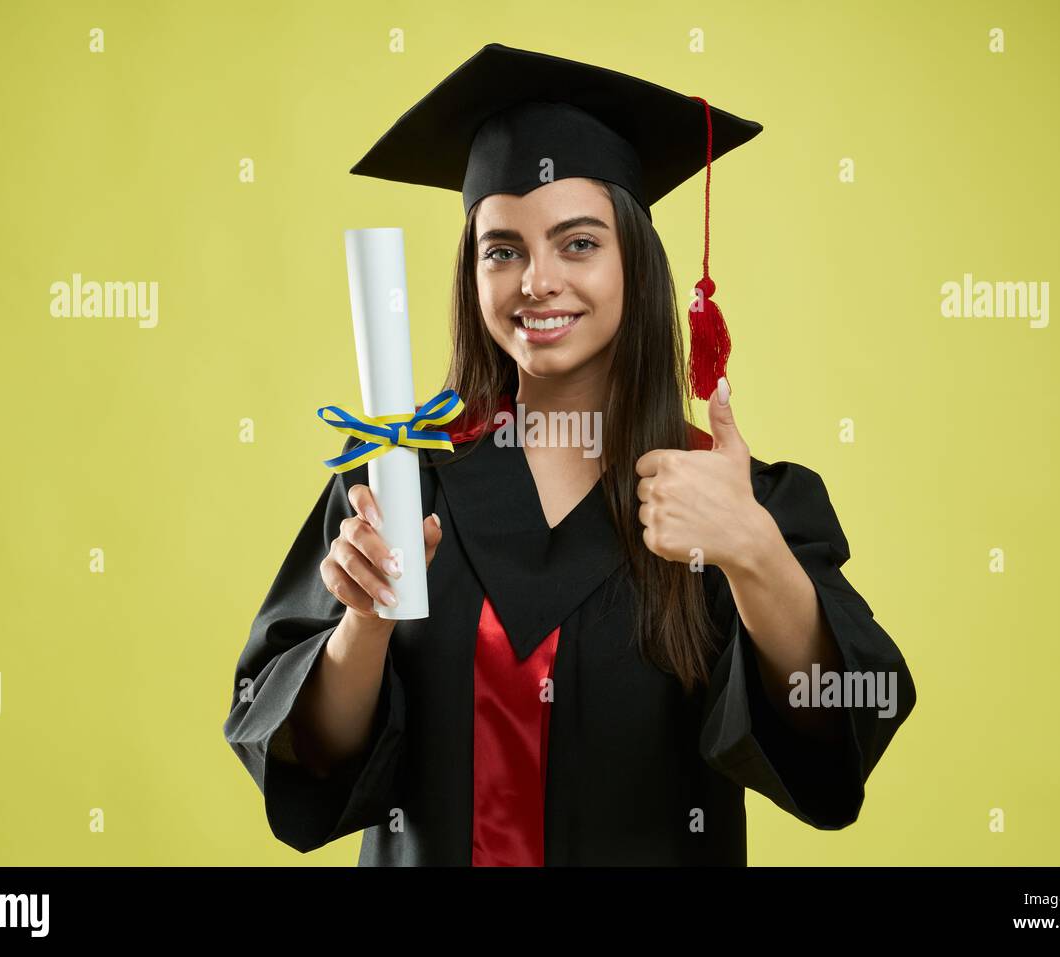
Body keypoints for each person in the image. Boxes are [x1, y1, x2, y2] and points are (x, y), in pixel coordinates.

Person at [223, 43, 916, 866]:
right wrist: (363, 623)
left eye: (578, 243)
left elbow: (830, 735)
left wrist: (754, 552)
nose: (535, 281)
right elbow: (313, 761)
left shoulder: (724, 497)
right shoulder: (397, 477)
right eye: (503, 249)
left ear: (635, 260)